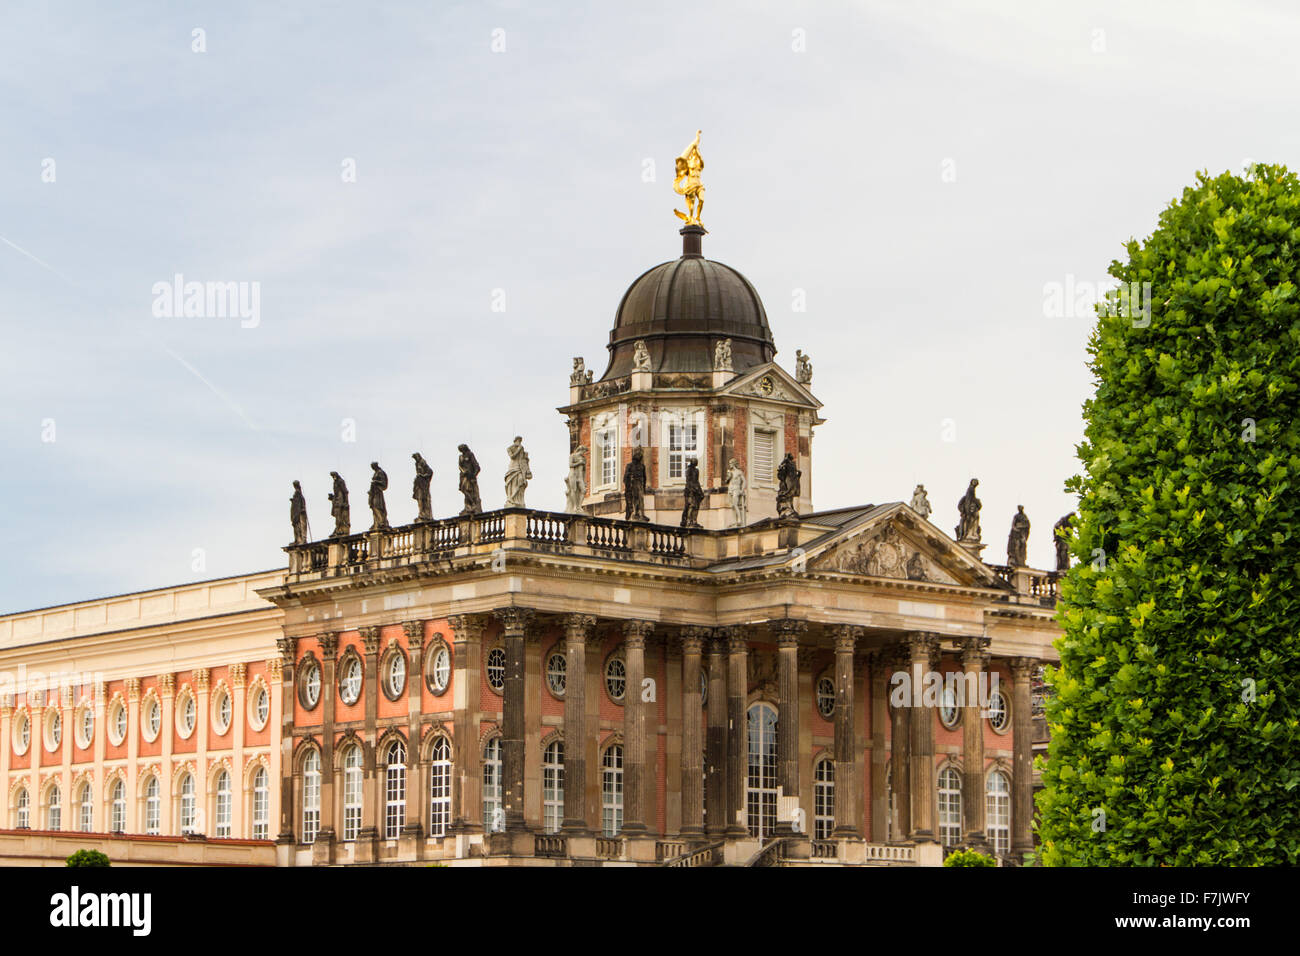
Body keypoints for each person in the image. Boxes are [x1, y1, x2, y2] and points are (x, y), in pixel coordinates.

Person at [504, 437, 531, 508]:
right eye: (518, 441)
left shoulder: (522, 449)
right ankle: (511, 499)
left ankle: (519, 501)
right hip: (513, 467)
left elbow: (524, 460)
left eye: (520, 441)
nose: (519, 442)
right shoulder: (510, 448)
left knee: (521, 481)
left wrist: (526, 459)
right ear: (515, 441)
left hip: (520, 468)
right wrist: (518, 450)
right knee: (512, 482)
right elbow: (512, 456)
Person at [623, 447, 648, 522]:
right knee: (635, 499)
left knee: (641, 499)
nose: (639, 455)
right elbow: (625, 477)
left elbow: (645, 477)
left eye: (640, 454)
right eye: (638, 453)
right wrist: (629, 484)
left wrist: (643, 487)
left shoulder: (642, 466)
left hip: (639, 484)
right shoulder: (629, 465)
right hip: (632, 484)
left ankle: (642, 514)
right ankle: (635, 513)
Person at [681, 457, 704, 529]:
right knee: (691, 506)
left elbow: (697, 481)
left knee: (696, 506)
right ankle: (688, 521)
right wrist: (693, 489)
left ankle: (694, 521)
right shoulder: (688, 470)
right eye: (695, 461)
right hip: (690, 490)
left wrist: (700, 491)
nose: (696, 462)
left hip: (696, 490)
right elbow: (689, 481)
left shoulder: (697, 470)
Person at [368, 462, 391, 531]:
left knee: (377, 506)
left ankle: (381, 522)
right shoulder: (376, 472)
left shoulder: (380, 472)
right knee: (373, 506)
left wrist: (376, 482)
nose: (372, 468)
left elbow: (383, 483)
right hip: (373, 492)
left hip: (378, 493)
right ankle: (376, 522)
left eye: (373, 467)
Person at [412, 453, 433, 522]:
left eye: (416, 458)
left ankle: (425, 514)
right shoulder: (417, 463)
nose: (415, 459)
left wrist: (423, 476)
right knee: (420, 499)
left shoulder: (422, 462)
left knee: (424, 499)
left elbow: (430, 472)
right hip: (419, 484)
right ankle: (422, 513)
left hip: (423, 485)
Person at [328, 471, 350, 537]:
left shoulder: (340, 481)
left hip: (340, 501)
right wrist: (332, 497)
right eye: (332, 476)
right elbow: (337, 493)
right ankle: (338, 529)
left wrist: (346, 502)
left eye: (333, 476)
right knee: (338, 516)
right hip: (337, 500)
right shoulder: (335, 482)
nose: (333, 477)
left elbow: (345, 492)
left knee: (339, 516)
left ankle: (339, 530)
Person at [727, 458, 747, 528]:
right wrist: (729, 476)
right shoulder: (730, 472)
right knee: (732, 506)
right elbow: (727, 481)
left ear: (733, 464)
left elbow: (744, 481)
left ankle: (739, 519)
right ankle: (734, 521)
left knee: (735, 504)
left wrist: (742, 490)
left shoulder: (739, 472)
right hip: (730, 489)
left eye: (730, 463)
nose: (729, 465)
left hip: (736, 488)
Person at [290, 480, 309, 544]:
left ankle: (300, 539)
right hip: (295, 513)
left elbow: (302, 503)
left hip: (298, 514)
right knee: (297, 527)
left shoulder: (298, 494)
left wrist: (302, 508)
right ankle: (297, 539)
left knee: (299, 527)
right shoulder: (297, 494)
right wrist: (293, 501)